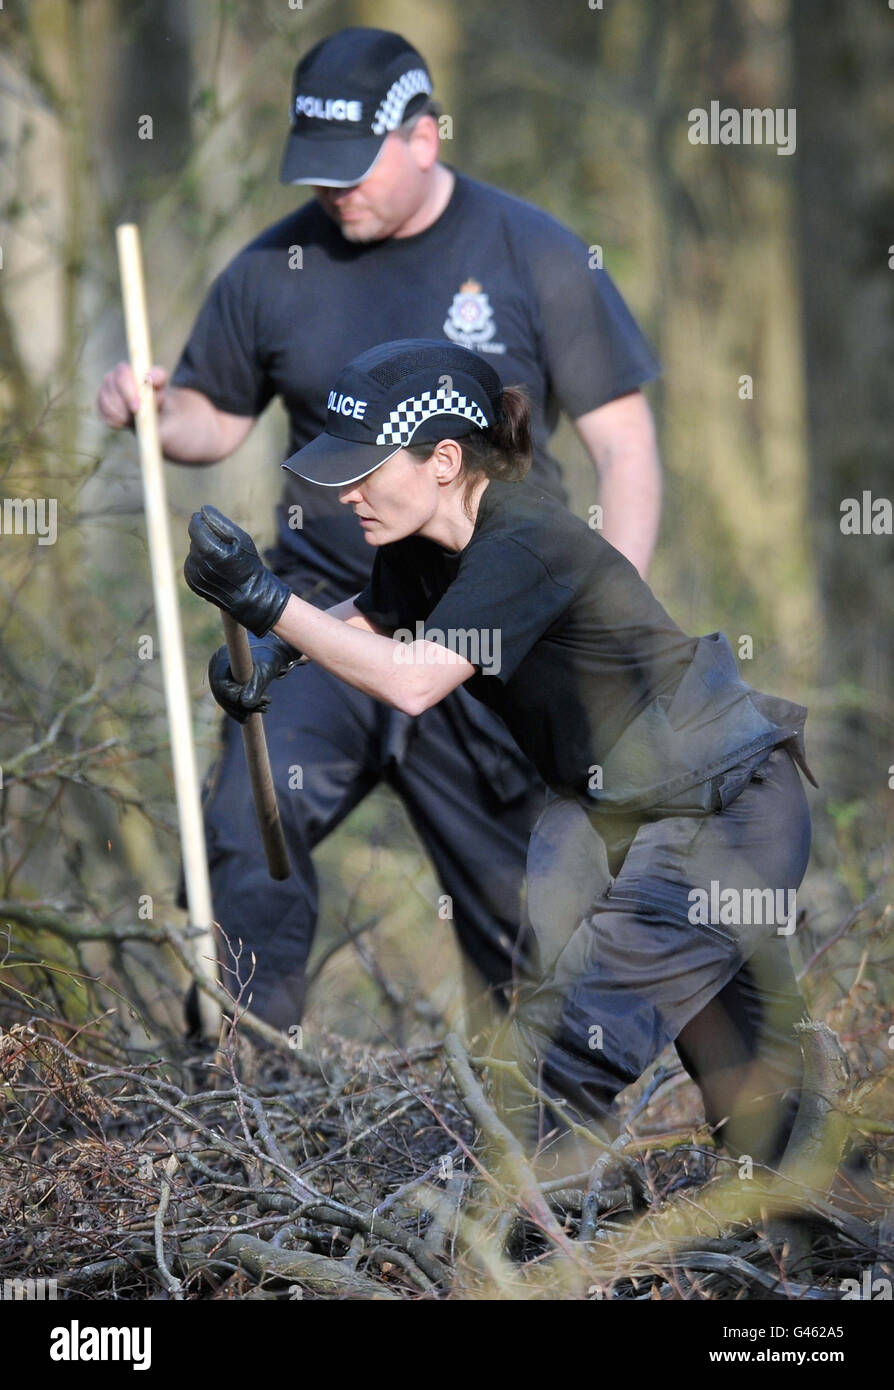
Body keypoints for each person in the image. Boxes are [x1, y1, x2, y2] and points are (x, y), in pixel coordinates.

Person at [96, 26, 664, 1029]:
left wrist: (603, 612)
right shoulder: (273, 270)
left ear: (425, 137)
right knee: (248, 831)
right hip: (325, 615)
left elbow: (626, 449)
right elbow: (210, 418)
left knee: (535, 912)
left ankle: (542, 1143)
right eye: (314, 171)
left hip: (485, 625)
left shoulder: (532, 252)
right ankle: (248, 1081)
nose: (332, 192)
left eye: (352, 169)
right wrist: (153, 406)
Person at [183, 338, 819, 1168]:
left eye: (365, 469)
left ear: (444, 459)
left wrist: (268, 605)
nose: (344, 494)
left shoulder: (523, 541)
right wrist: (274, 655)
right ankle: (833, 1244)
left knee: (556, 1063)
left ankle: (480, 1256)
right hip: (658, 821)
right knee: (767, 1114)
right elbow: (376, 617)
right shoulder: (424, 547)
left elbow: (413, 682)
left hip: (727, 812)